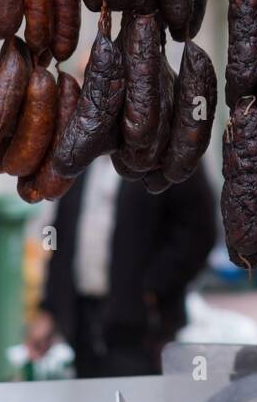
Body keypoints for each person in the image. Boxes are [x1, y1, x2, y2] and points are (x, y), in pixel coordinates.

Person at [26, 159, 216, 377]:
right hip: (83, 323)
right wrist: (50, 309)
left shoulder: (167, 151)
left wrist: (153, 288)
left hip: (142, 329)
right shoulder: (80, 154)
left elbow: (199, 233)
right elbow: (60, 234)